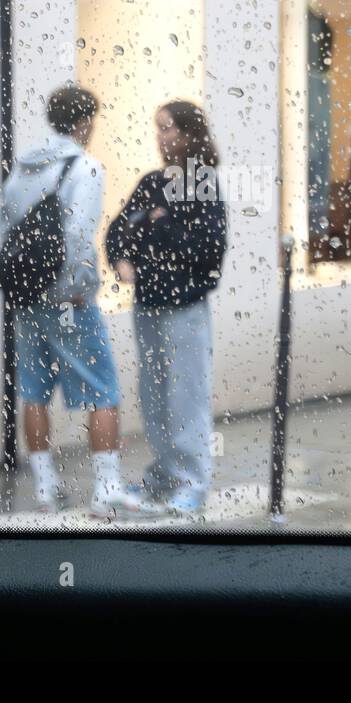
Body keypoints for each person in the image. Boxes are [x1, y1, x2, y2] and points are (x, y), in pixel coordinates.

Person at [0, 84, 147, 518]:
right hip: (68, 298)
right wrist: (79, 289)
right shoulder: (85, 168)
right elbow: (79, 236)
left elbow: (4, 229)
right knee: (103, 390)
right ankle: (105, 492)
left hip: (26, 296)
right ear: (85, 122)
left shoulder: (22, 167)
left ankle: (46, 491)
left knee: (33, 390)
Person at [106, 100, 228, 516]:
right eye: (158, 128)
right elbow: (119, 230)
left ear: (190, 134)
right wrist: (124, 256)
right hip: (149, 305)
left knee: (185, 394)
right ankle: (164, 474)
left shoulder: (203, 184)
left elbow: (208, 248)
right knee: (154, 394)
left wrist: (156, 225)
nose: (161, 137)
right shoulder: (151, 182)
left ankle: (192, 481)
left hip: (185, 309)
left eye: (168, 128)